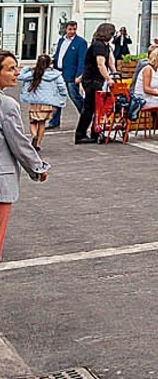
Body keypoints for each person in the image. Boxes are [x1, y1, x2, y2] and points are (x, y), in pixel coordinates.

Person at [1, 49, 51, 259]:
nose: (17, 73)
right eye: (11, 69)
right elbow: (19, 143)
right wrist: (38, 168)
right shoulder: (6, 105)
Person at [75, 22, 117, 145]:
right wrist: (109, 78)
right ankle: (81, 134)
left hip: (95, 79)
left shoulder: (105, 46)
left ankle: (95, 132)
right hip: (93, 80)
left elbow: (110, 62)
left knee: (97, 108)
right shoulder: (98, 46)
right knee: (89, 108)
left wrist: (115, 72)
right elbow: (100, 63)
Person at [19, 54, 68, 151]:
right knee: (42, 123)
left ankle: (33, 135)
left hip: (35, 102)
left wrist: (27, 68)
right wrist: (62, 96)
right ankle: (37, 143)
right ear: (50, 63)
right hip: (48, 103)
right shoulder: (55, 74)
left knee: (33, 121)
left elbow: (20, 76)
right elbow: (62, 87)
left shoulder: (34, 73)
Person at [48, 20, 87, 131]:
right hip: (59, 73)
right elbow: (58, 55)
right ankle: (54, 121)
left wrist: (79, 75)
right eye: (70, 29)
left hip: (71, 74)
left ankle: (86, 117)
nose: (72, 31)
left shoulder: (81, 42)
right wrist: (52, 62)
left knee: (75, 96)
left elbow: (81, 60)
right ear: (66, 29)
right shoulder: (61, 40)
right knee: (57, 97)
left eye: (74, 29)